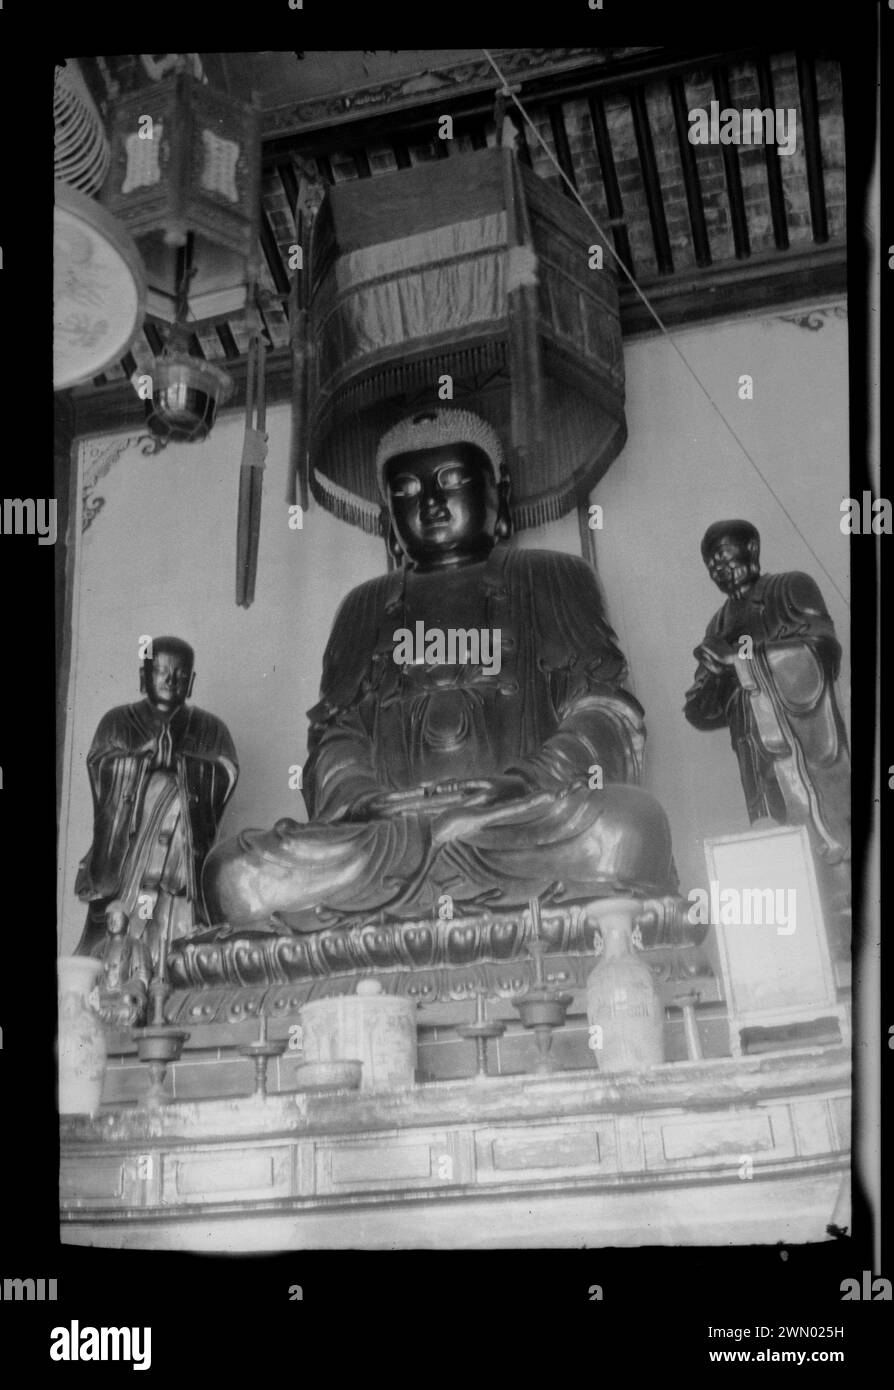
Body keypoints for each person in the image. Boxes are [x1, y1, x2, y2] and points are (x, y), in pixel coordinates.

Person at [204, 409, 675, 931]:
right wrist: (362, 799)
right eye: (404, 491)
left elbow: (603, 710)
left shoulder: (552, 575)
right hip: (390, 839)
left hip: (511, 822)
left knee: (629, 828)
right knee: (233, 873)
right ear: (388, 520)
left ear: (502, 496)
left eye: (451, 480)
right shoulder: (364, 605)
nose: (428, 502)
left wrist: (524, 784)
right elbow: (337, 736)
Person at [684, 520, 850, 920]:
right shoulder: (718, 623)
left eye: (724, 556)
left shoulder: (790, 588)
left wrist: (740, 661)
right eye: (711, 564)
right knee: (771, 822)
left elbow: (821, 648)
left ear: (752, 548)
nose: (719, 569)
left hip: (800, 735)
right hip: (751, 740)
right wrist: (712, 680)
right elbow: (701, 706)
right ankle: (804, 913)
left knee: (820, 818)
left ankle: (845, 900)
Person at [75, 637, 239, 963]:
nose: (170, 680)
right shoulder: (118, 722)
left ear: (191, 682)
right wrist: (142, 759)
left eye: (180, 674)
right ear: (143, 676)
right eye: (161, 671)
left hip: (182, 865)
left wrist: (182, 764)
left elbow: (227, 772)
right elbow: (100, 764)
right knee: (125, 931)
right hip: (131, 859)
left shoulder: (210, 728)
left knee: (177, 932)